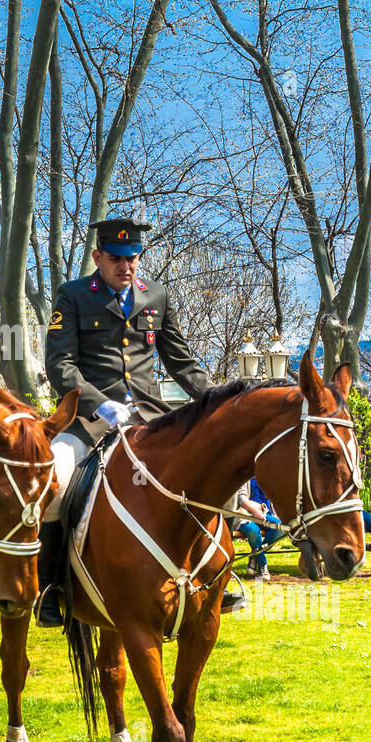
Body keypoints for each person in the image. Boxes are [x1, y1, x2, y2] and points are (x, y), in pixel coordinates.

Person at [39, 215, 238, 625]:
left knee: (220, 474)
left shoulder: (156, 297)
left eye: (132, 258)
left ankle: (219, 576)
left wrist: (222, 403)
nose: (125, 266)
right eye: (115, 258)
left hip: (151, 417)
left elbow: (181, 362)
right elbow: (60, 364)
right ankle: (51, 586)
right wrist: (97, 404)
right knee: (53, 482)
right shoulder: (73, 295)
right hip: (92, 422)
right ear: (98, 256)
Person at [234, 477, 283, 581]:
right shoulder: (245, 474)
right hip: (243, 514)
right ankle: (262, 564)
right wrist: (255, 511)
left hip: (263, 514)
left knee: (278, 527)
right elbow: (241, 498)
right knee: (253, 531)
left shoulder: (267, 475)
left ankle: (255, 554)